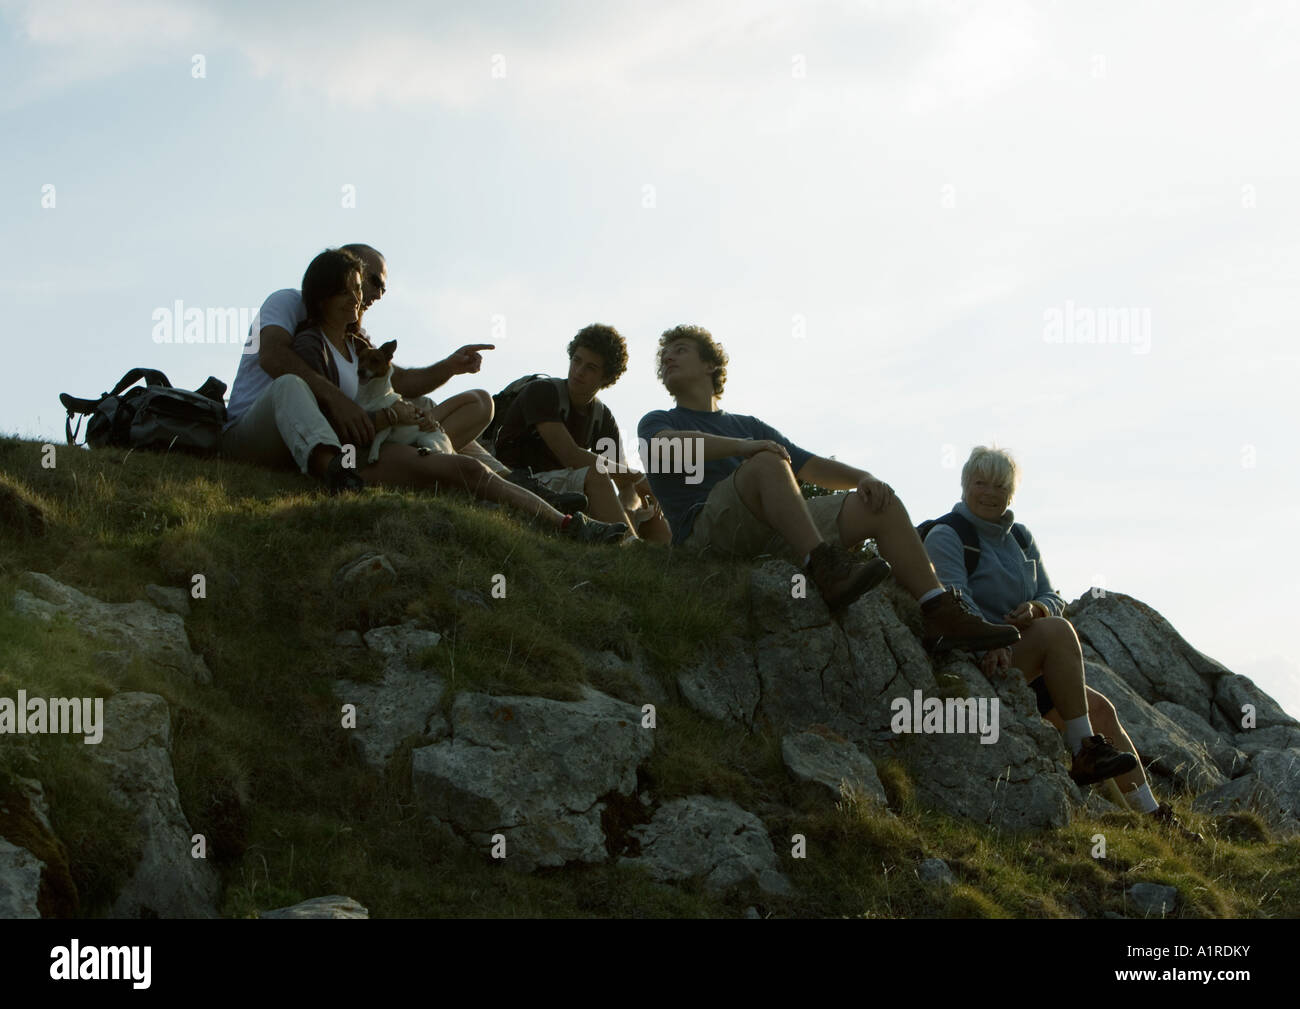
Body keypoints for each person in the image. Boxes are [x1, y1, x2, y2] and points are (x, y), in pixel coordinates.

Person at [636, 324, 1018, 652]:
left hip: (771, 534)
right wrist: (744, 448)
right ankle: (826, 571)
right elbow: (665, 449)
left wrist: (864, 478)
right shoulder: (658, 421)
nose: (667, 358)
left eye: (679, 350)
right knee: (769, 462)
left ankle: (939, 611)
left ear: (709, 364)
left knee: (879, 502)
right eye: (663, 356)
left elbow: (811, 465)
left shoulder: (747, 424)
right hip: (707, 537)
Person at [922, 445, 1202, 840]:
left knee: (1102, 709)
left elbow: (1055, 597)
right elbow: (954, 598)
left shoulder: (1019, 538)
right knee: (1057, 633)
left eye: (999, 485)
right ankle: (1084, 748)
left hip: (1021, 658)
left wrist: (1037, 607)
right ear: (965, 485)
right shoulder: (948, 535)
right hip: (975, 659)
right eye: (979, 483)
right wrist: (990, 640)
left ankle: (1155, 818)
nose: (988, 492)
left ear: (1011, 493)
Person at [279, 248, 627, 544]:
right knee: (467, 468)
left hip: (388, 441)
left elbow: (405, 383)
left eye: (361, 289)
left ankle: (550, 509)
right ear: (323, 294)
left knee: (472, 429)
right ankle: (565, 521)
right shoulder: (312, 346)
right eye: (351, 290)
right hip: (359, 456)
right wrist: (392, 416)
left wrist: (445, 371)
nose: (360, 299)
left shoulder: (358, 347)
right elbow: (326, 425)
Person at [223, 243, 563, 503]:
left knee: (437, 404)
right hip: (260, 428)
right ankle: (340, 471)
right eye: (370, 282)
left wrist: (450, 366)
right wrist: (343, 402)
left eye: (376, 289)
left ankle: (510, 481)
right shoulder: (289, 302)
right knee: (291, 385)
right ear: (342, 271)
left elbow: (401, 382)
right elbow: (272, 355)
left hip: (325, 437)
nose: (374, 294)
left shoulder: (352, 340)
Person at [493, 324, 671, 542]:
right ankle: (630, 548)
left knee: (645, 500)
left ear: (606, 378)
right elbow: (570, 454)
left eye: (591, 367)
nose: (579, 371)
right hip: (517, 481)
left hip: (565, 489)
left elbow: (625, 480)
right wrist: (637, 476)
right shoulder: (543, 391)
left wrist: (630, 508)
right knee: (598, 473)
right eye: (576, 361)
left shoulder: (601, 416)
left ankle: (665, 559)